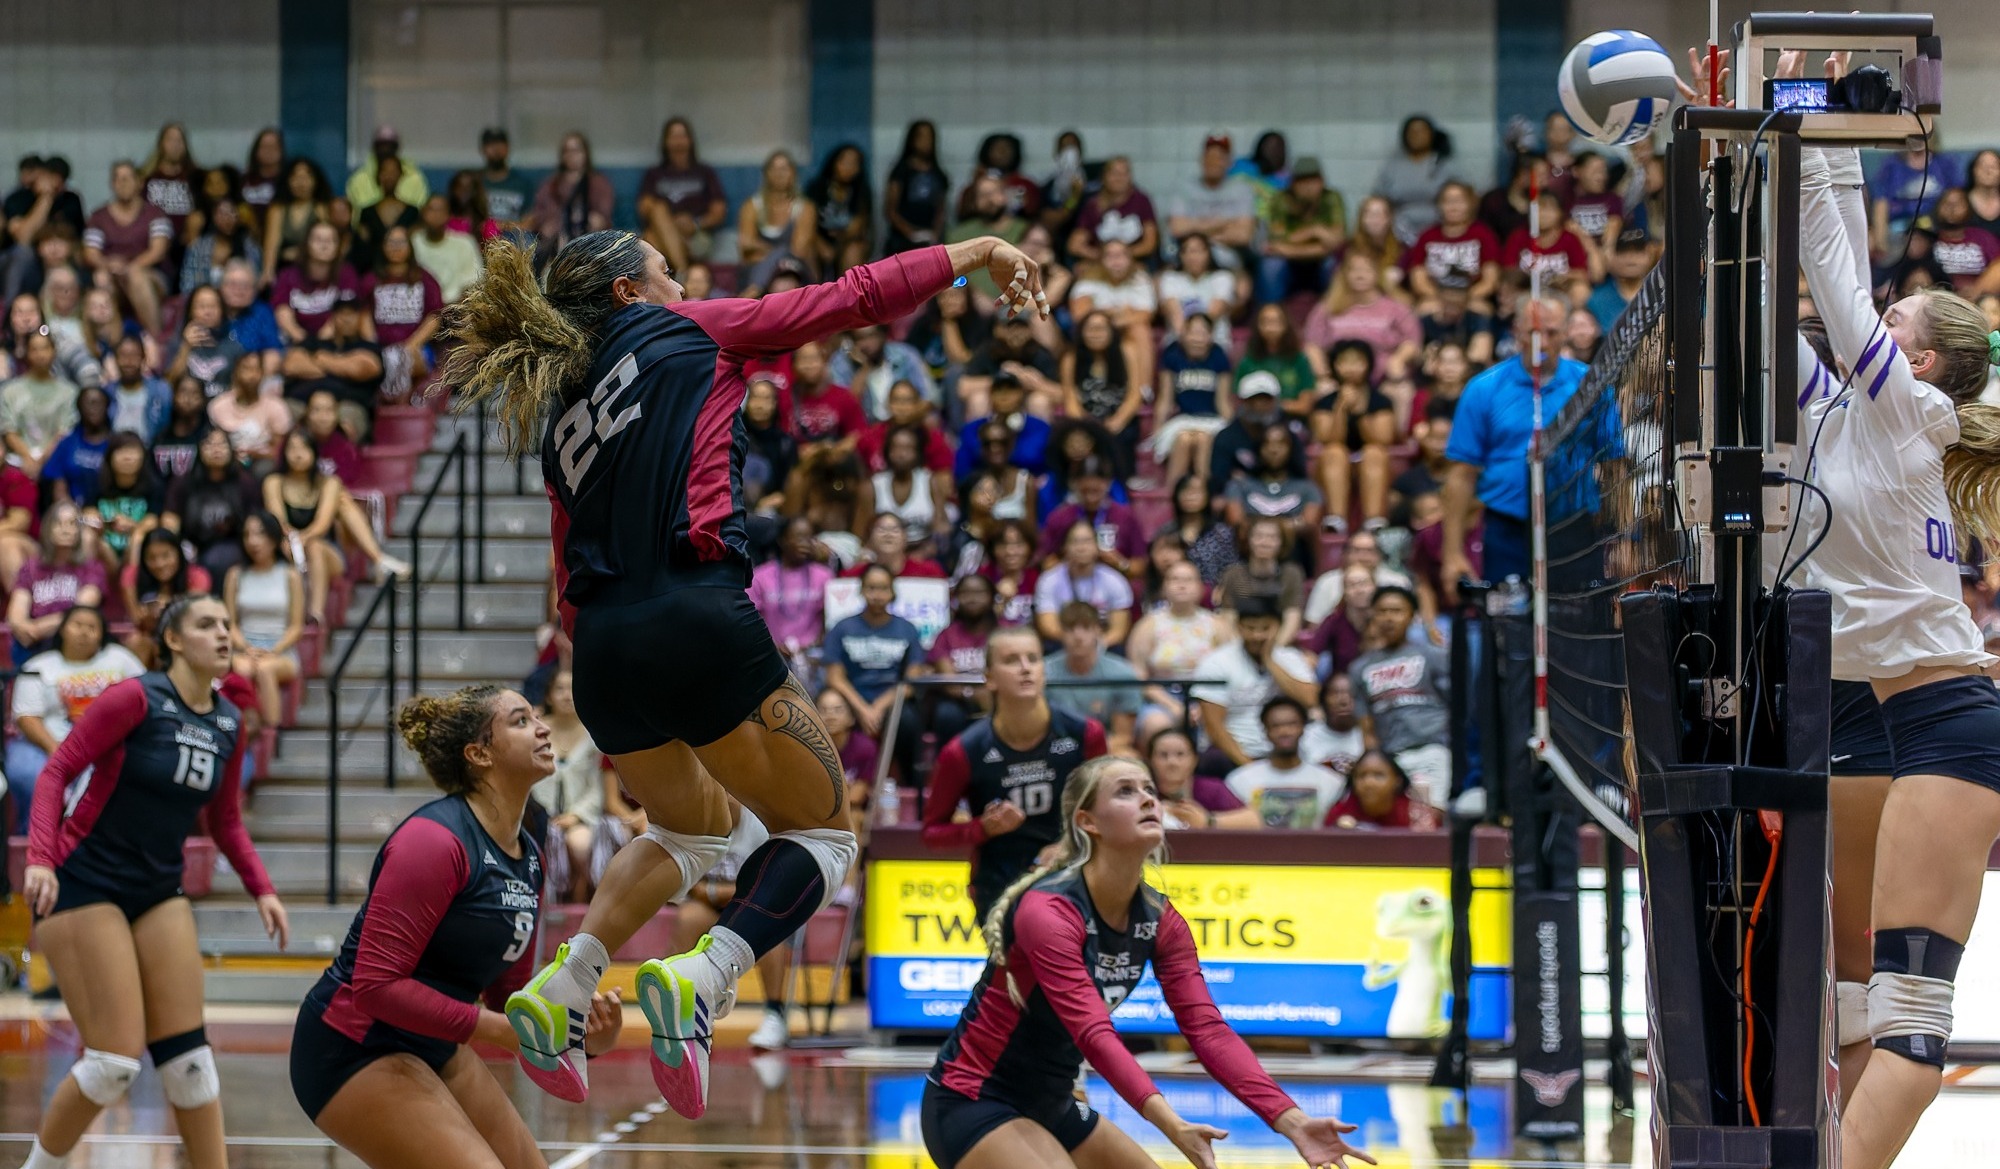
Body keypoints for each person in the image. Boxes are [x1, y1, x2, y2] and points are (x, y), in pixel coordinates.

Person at [1761, 55, 2000, 1166]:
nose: (1860, 318)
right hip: (1854, 709)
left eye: (1889, 317)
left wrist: (1820, 133)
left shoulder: (1906, 410)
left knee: (1908, 1016)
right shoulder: (1834, 414)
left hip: (1946, 714)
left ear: (1923, 359)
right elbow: (1804, 278)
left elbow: (1830, 270)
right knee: (1851, 1006)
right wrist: (1803, 145)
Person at [922, 754, 1372, 1169]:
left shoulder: (1160, 919)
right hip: (973, 1098)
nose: (1147, 799)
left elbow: (1207, 1029)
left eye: (1149, 790)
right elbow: (1094, 1033)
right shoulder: (1049, 911)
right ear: (1087, 822)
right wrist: (1169, 1123)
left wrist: (1290, 1120)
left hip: (1052, 1102)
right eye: (1125, 791)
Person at [289, 685, 622, 1167]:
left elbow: (510, 997)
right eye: (521, 721)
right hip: (351, 1045)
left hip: (433, 1042)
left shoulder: (530, 855)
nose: (544, 727)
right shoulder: (433, 841)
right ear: (479, 753)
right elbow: (375, 986)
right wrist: (501, 1030)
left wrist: (580, 1033)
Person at [19, 595, 286, 1169]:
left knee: (191, 1063)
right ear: (173, 640)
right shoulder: (136, 697)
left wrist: (262, 888)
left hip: (157, 888)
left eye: (226, 624)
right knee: (113, 1062)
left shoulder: (228, 721)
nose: (223, 634)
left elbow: (226, 822)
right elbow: (57, 770)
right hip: (83, 880)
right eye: (207, 624)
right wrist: (40, 857)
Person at [922, 627, 1107, 919]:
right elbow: (932, 833)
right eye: (1011, 660)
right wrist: (982, 827)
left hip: (1074, 870)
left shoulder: (1085, 734)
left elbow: (1106, 811)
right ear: (990, 678)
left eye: (1033, 658)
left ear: (1043, 670)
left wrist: (1068, 845)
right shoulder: (962, 751)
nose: (1025, 668)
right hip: (998, 881)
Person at [1440, 293, 1584, 596]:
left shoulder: (1589, 384)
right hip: (1507, 526)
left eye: (1552, 332)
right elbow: (1461, 475)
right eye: (1532, 332)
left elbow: (1614, 467)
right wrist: (1452, 552)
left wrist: (1625, 540)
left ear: (1568, 330)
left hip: (1576, 524)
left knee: (1578, 625)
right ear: (1515, 330)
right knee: (1509, 625)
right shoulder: (1484, 388)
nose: (1541, 343)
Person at [666, 807, 798, 1053]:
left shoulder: (760, 825)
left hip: (751, 904)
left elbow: (769, 880)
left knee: (771, 930)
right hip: (707, 904)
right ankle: (681, 1013)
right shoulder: (698, 820)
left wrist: (718, 892)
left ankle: (774, 1014)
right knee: (687, 919)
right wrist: (709, 893)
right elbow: (688, 874)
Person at [5, 605, 145, 831]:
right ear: (62, 630)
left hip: (111, 748)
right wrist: (57, 751)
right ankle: (33, 843)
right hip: (45, 745)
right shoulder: (39, 665)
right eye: (77, 625)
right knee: (26, 771)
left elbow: (146, 703)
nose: (84, 632)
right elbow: (26, 717)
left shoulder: (121, 660)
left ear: (102, 634)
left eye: (92, 627)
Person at [1347, 586, 1450, 808]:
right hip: (1392, 757)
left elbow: (1455, 707)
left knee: (1430, 818)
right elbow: (1366, 725)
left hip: (1432, 749)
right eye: (1382, 611)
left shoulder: (1433, 656)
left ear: (1412, 616)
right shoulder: (1360, 668)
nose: (1388, 618)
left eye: (1396, 611)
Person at [1189, 595, 1316, 771]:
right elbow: (1214, 727)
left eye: (1265, 628)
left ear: (1278, 627)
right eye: (1250, 628)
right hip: (1236, 752)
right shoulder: (1215, 663)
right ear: (1239, 627)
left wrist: (1270, 661)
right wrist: (1249, 767)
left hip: (1288, 750)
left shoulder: (1292, 658)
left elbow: (1309, 700)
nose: (1257, 636)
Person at [532, 669, 609, 901]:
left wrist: (576, 816)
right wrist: (540, 814)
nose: (567, 695)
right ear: (548, 696)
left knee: (581, 845)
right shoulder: (535, 731)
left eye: (572, 689)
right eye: (560, 689)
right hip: (538, 813)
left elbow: (597, 787)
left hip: (580, 815)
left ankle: (579, 907)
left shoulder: (595, 732)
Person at [223, 512, 303, 728]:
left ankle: (270, 735)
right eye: (247, 535)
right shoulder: (235, 575)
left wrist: (274, 650)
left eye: (259, 534)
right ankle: (244, 732)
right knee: (242, 668)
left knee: (266, 669)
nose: (253, 541)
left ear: (274, 538)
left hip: (281, 650)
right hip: (245, 647)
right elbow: (230, 624)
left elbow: (296, 626)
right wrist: (247, 647)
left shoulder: (290, 575)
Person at [1311, 339, 1397, 533]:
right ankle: (1336, 519)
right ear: (1335, 365)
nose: (1351, 368)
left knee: (1374, 452)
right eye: (1344, 362)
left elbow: (1383, 439)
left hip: (1370, 458)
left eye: (1357, 361)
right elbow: (1328, 438)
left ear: (1368, 365)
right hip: (1336, 459)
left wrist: (1359, 413)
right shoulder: (1324, 403)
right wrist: (1341, 408)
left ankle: (1374, 521)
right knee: (1334, 451)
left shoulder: (1381, 401)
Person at [9, 501, 106, 665]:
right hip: (34, 643)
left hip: (72, 641)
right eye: (58, 523)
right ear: (48, 529)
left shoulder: (91, 568)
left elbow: (81, 610)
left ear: (79, 531)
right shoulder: (32, 567)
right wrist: (24, 627)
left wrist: (38, 629)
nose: (65, 529)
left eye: (71, 524)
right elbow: (17, 611)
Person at [1225, 697, 1346, 828]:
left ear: (1303, 728)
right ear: (1265, 732)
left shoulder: (1331, 782)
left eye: (1292, 724)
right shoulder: (1239, 781)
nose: (1284, 731)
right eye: (1276, 726)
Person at [81, 161, 171, 335]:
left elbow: (158, 251)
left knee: (135, 275)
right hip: (112, 273)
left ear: (139, 182)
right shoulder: (99, 216)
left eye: (128, 178)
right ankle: (110, 344)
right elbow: (90, 253)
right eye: (118, 179)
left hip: (150, 274)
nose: (123, 183)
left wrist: (129, 267)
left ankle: (156, 339)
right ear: (112, 184)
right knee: (100, 277)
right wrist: (108, 264)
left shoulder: (155, 214)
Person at [162, 429, 261, 578]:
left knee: (217, 559)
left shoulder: (245, 482)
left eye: (222, 444)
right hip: (191, 543)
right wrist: (175, 545)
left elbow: (255, 519)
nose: (216, 449)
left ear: (231, 450)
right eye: (209, 444)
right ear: (199, 450)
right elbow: (170, 518)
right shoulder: (183, 482)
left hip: (232, 543)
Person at [1044, 602, 1140, 751]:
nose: (1078, 636)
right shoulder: (1042, 673)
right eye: (1070, 629)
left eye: (1086, 628)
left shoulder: (1122, 673)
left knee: (1127, 756)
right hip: (1054, 749)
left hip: (1104, 747)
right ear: (1060, 632)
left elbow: (1123, 736)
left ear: (1098, 631)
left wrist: (1087, 751)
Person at [1151, 312, 1234, 485]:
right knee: (1184, 439)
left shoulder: (1219, 356)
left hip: (1211, 420)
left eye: (1203, 333)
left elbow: (1223, 402)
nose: (1197, 338)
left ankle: (1205, 494)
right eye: (1192, 332)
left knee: (1203, 439)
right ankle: (1171, 493)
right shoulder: (1172, 355)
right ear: (1183, 334)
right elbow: (1165, 399)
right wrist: (1156, 430)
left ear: (1211, 336)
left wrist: (1234, 432)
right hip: (1182, 420)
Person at [638, 118, 729, 266]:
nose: (678, 141)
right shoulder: (654, 174)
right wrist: (670, 224)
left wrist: (695, 224)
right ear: (665, 142)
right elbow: (645, 208)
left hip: (697, 235)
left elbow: (719, 211)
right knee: (658, 208)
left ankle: (678, 272)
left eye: (682, 136)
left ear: (690, 140)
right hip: (664, 229)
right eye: (673, 136)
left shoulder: (705, 172)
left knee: (650, 239)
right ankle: (683, 271)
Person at [1036, 453, 1145, 574]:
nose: (1090, 498)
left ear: (1108, 484)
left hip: (1114, 581)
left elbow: (1141, 565)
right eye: (1085, 491)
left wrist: (1120, 563)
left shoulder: (1125, 517)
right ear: (1074, 485)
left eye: (1095, 491)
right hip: (1069, 584)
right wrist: (1067, 556)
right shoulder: (1060, 518)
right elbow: (1045, 563)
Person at [748, 515, 834, 667]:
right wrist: (773, 647)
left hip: (812, 657)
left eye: (810, 538)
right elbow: (751, 620)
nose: (806, 544)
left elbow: (830, 619)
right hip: (770, 655)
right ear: (783, 541)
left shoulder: (824, 576)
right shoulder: (760, 576)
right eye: (799, 538)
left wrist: (813, 646)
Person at [1255, 157, 1344, 304]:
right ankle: (1270, 315)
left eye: (1313, 181)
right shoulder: (1281, 199)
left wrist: (1291, 247)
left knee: (1334, 264)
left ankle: (1335, 316)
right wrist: (1316, 233)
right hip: (1290, 264)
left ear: (1322, 182)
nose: (1308, 186)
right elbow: (1276, 242)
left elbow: (1337, 241)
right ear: (1293, 184)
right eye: (1302, 181)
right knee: (1271, 265)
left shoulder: (1332, 198)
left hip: (1320, 263)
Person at [1224, 428, 1324, 557]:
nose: (1273, 450)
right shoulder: (1240, 485)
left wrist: (1261, 525)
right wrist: (1288, 524)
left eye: (1281, 444)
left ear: (1291, 449)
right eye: (1267, 444)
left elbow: (1308, 524)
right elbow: (1237, 522)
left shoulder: (1308, 488)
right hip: (1247, 556)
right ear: (1259, 449)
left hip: (1293, 558)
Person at [1034, 519, 1133, 647]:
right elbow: (1048, 626)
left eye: (1087, 541)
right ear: (1064, 548)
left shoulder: (1114, 580)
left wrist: (1096, 645)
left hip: (1103, 644)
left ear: (1097, 547)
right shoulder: (1049, 580)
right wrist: (1077, 641)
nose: (1081, 547)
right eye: (1075, 542)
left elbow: (1118, 631)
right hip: (1063, 644)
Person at [1167, 134, 1259, 272]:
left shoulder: (1242, 189)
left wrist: (1197, 228)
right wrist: (1222, 223)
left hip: (1230, 256)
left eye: (1220, 158)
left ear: (1229, 161)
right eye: (1210, 157)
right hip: (1188, 253)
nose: (1214, 162)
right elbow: (1177, 228)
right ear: (1202, 160)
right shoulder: (1184, 188)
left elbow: (1244, 235)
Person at [120, 529, 211, 665]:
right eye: (152, 558)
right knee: (138, 642)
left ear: (178, 554)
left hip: (185, 636)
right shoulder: (132, 576)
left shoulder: (197, 576)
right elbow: (137, 619)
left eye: (166, 556)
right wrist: (148, 617)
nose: (159, 564)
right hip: (149, 637)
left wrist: (164, 610)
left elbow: (194, 615)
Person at [1214, 516, 1307, 645]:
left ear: (1281, 542)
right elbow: (1228, 619)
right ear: (1249, 540)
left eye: (1272, 537)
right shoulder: (1233, 574)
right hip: (1239, 647)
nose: (1264, 542)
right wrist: (1243, 653)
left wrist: (1272, 652)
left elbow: (1292, 619)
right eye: (1259, 536)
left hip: (1279, 646)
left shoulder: (1291, 574)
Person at [1146, 726, 1257, 831]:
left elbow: (1254, 820)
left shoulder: (1212, 789)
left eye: (1180, 754)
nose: (1172, 762)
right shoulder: (1143, 790)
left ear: (1194, 760)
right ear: (1150, 760)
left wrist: (1208, 821)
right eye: (1163, 755)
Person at [207, 351, 289, 470]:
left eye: (256, 369)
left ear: (263, 374)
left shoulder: (276, 406)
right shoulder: (218, 406)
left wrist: (256, 454)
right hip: (226, 462)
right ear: (236, 372)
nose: (252, 375)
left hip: (260, 462)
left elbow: (279, 450)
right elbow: (214, 443)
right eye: (246, 368)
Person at [1323, 749, 1442, 830]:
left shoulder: (1417, 816)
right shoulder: (1340, 814)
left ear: (1397, 781)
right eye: (1361, 776)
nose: (1369, 783)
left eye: (1378, 775)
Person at [804, 143, 874, 279]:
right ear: (834, 162)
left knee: (854, 251)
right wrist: (821, 245)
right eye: (845, 161)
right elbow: (807, 223)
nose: (849, 167)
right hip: (818, 240)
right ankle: (815, 297)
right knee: (807, 250)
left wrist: (838, 246)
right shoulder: (817, 188)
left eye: (854, 163)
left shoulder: (861, 192)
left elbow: (858, 228)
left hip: (847, 242)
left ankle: (849, 296)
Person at [883, 121, 950, 256]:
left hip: (930, 238)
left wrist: (934, 234)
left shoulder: (938, 174)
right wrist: (911, 233)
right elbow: (890, 209)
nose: (925, 141)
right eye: (921, 136)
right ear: (912, 139)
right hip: (902, 239)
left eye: (929, 137)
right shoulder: (901, 171)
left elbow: (940, 209)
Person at [43, 385, 113, 507]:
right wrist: (74, 516)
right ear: (79, 408)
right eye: (88, 403)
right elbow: (59, 487)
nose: (93, 408)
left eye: (98, 403)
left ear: (107, 407)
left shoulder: (115, 443)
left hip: (108, 510)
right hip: (73, 511)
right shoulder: (67, 443)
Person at [346, 125, 429, 213]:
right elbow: (354, 215)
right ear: (374, 148)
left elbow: (422, 211)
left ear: (397, 148)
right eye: (381, 146)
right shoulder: (358, 180)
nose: (385, 150)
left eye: (390, 146)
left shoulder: (415, 178)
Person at [1302, 673, 1367, 777]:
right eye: (1335, 693)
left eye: (1351, 694)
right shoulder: (1305, 736)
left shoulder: (1371, 735)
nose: (1343, 700)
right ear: (1323, 701)